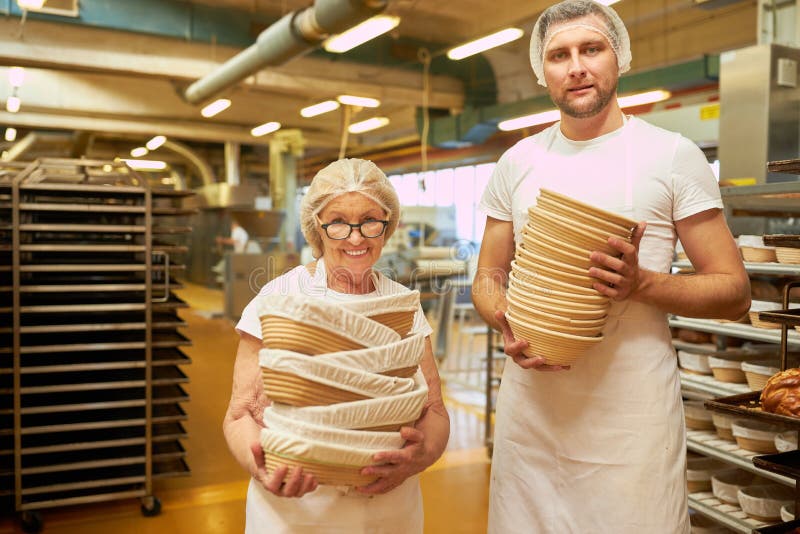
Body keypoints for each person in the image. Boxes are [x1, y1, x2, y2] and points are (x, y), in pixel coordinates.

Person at [471, 1, 750, 532]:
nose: (575, 66)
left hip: (630, 420)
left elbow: (734, 289)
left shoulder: (670, 155)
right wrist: (507, 319)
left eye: (590, 49)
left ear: (618, 57)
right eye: (559, 55)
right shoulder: (518, 162)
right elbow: (487, 275)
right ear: (542, 71)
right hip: (532, 415)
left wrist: (642, 284)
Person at [223, 158, 450, 533]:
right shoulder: (279, 298)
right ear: (319, 227)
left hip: (389, 511)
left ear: (387, 225)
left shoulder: (403, 305)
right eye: (339, 222)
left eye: (370, 221)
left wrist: (420, 456)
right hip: (297, 513)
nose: (356, 237)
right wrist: (263, 469)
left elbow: (435, 411)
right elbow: (239, 414)